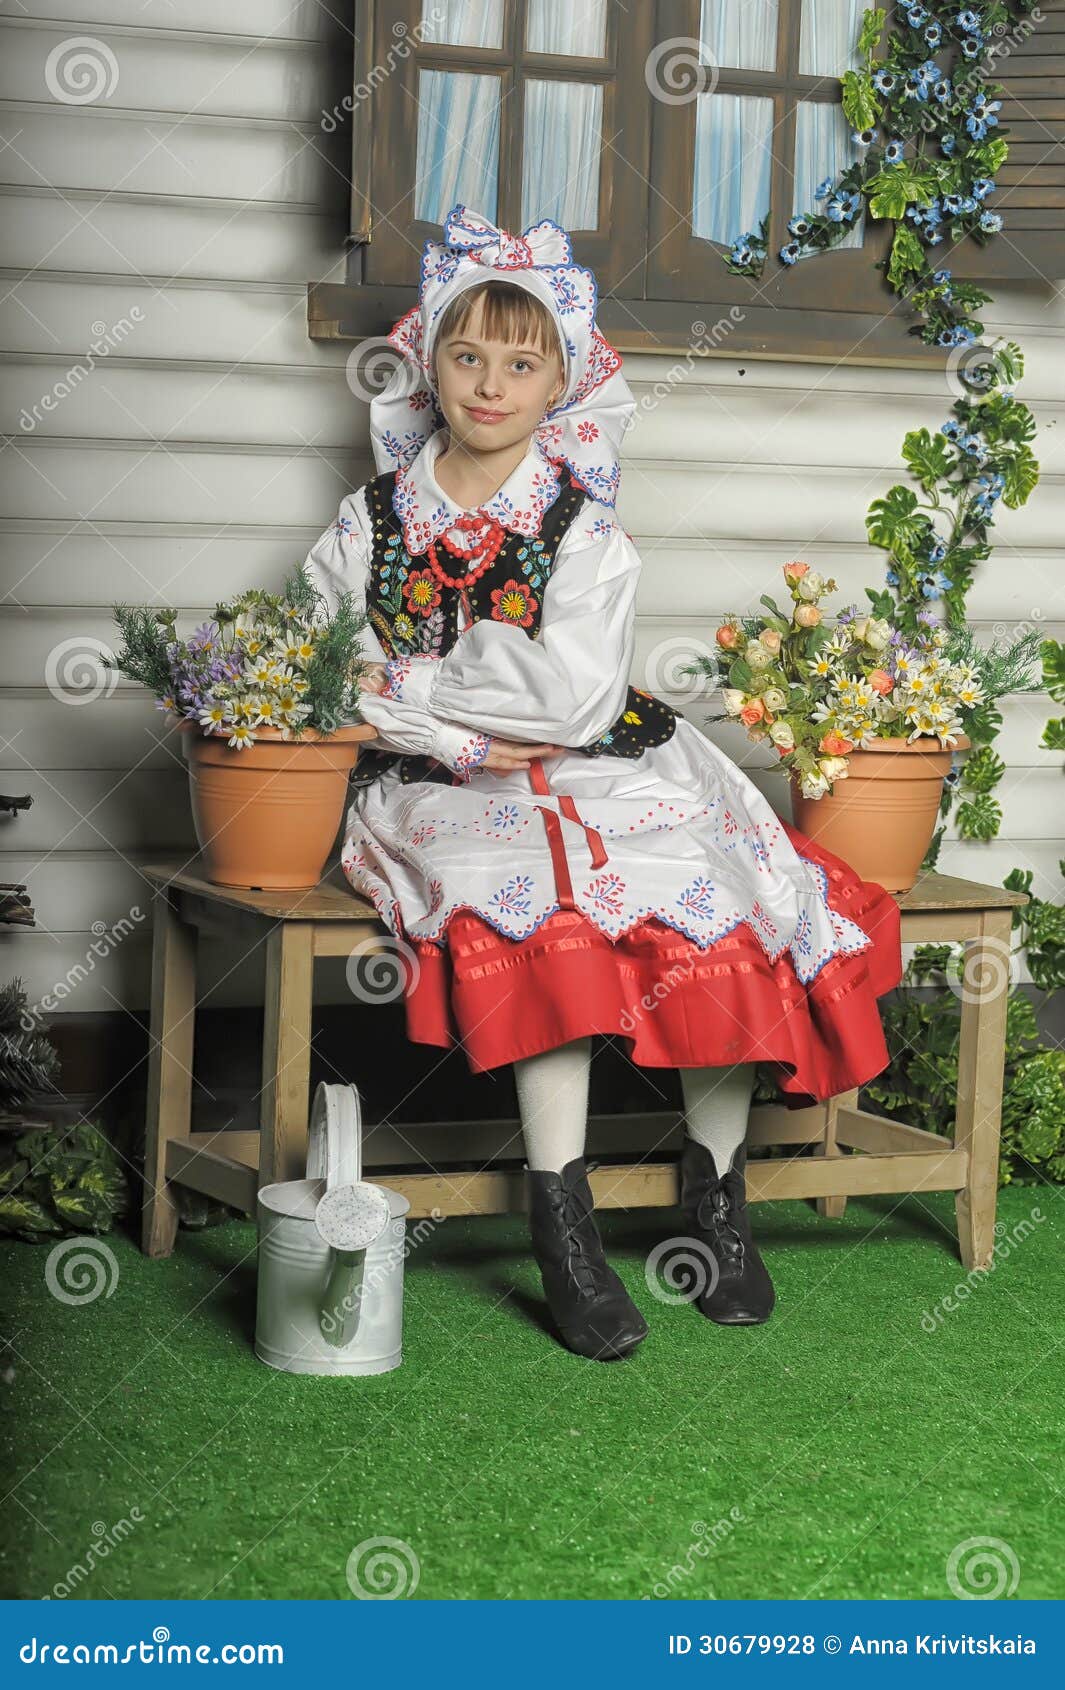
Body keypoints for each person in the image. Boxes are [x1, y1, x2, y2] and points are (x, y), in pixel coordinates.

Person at [301, 204, 903, 1362]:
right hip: (430, 785)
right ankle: (561, 1216)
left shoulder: (582, 529)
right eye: (467, 356)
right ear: (427, 362)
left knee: (705, 887)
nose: (490, 384)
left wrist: (418, 674)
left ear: (561, 380)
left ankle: (717, 1193)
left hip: (616, 758)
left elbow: (573, 700)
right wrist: (449, 721)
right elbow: (333, 677)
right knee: (544, 904)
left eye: (521, 363)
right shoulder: (366, 521)